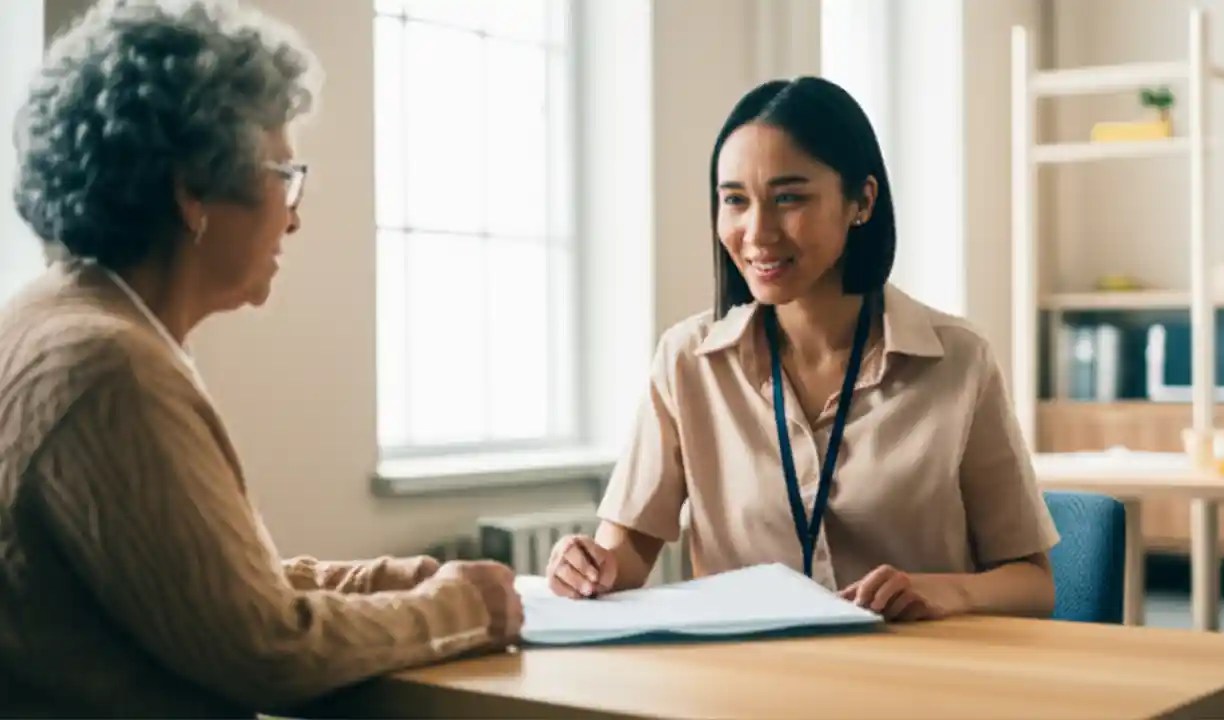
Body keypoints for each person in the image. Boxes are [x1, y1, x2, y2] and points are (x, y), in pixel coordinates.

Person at [0, 1, 520, 716]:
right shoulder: (107, 368)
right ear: (192, 191)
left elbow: (209, 592)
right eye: (285, 175)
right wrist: (462, 608)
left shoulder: (55, 322)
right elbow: (267, 647)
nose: (295, 214)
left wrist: (389, 580)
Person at [545, 77, 1059, 622]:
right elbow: (625, 554)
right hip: (747, 689)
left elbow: (1032, 584)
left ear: (861, 201)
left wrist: (948, 592)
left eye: (789, 198)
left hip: (912, 686)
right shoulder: (687, 362)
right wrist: (586, 565)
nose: (758, 232)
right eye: (735, 201)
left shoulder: (959, 361)